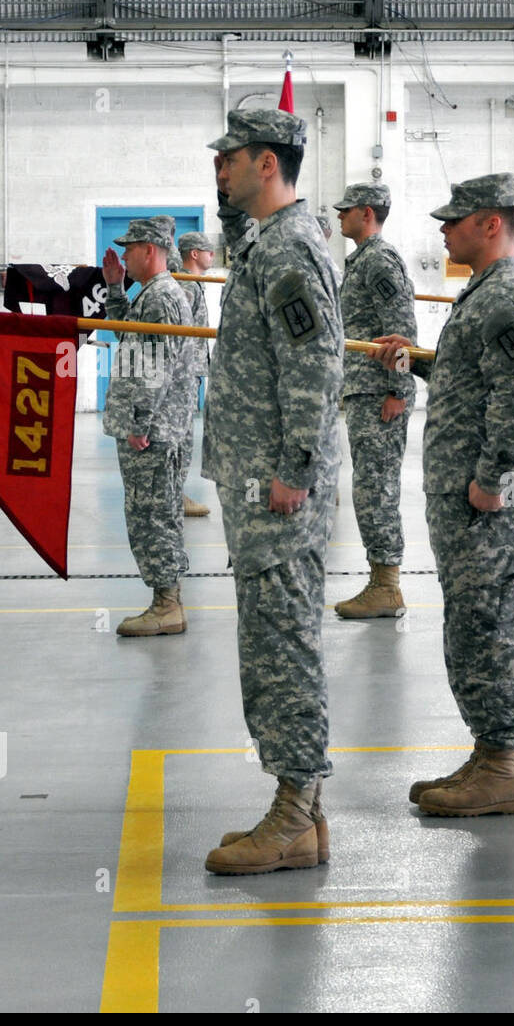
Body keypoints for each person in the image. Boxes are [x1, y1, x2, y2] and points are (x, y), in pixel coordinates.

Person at [370, 173, 514, 817]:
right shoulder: (481, 292)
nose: (444, 230)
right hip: (463, 498)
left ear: (491, 224)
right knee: (470, 623)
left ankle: (504, 765)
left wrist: (492, 480)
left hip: (486, 505)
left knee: (489, 624)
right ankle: (489, 752)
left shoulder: (506, 298)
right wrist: (414, 358)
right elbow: (475, 377)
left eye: (455, 220)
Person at [200, 109, 344, 875]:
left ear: (266, 164)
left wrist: (294, 468)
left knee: (282, 644)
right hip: (259, 485)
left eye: (230, 159)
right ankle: (305, 818)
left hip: (278, 490)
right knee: (272, 637)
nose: (219, 171)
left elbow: (316, 366)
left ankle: (293, 811)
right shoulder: (264, 244)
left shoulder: (290, 250)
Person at [100, 218, 197, 637]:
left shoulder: (162, 298)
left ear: (150, 250)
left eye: (130, 248)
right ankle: (167, 597)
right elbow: (127, 336)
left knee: (151, 515)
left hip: (153, 432)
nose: (123, 255)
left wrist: (140, 422)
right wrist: (116, 288)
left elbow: (154, 369)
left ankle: (166, 604)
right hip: (153, 427)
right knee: (157, 511)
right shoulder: (151, 295)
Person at [330, 181, 419, 620]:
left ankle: (386, 585)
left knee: (376, 489)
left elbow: (402, 328)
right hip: (365, 390)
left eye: (346, 211)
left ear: (366, 213)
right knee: (368, 488)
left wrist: (398, 391)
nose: (340, 217)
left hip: (379, 393)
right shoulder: (362, 260)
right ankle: (380, 578)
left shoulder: (379, 260)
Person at [177, 230, 216, 518]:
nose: (212, 255)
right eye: (208, 251)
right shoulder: (186, 286)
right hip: (183, 375)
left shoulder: (194, 284)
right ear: (194, 254)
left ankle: (175, 493)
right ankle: (174, 495)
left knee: (184, 435)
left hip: (192, 372)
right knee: (181, 436)